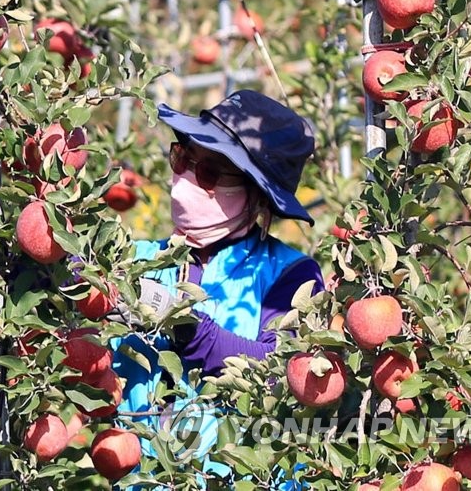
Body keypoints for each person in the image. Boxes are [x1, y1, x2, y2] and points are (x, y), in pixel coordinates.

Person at [110, 90, 324, 485]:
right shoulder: (136, 259)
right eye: (182, 159)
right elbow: (57, 277)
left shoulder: (289, 275)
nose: (186, 180)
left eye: (208, 172)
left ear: (254, 194)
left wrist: (185, 325)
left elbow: (283, 372)